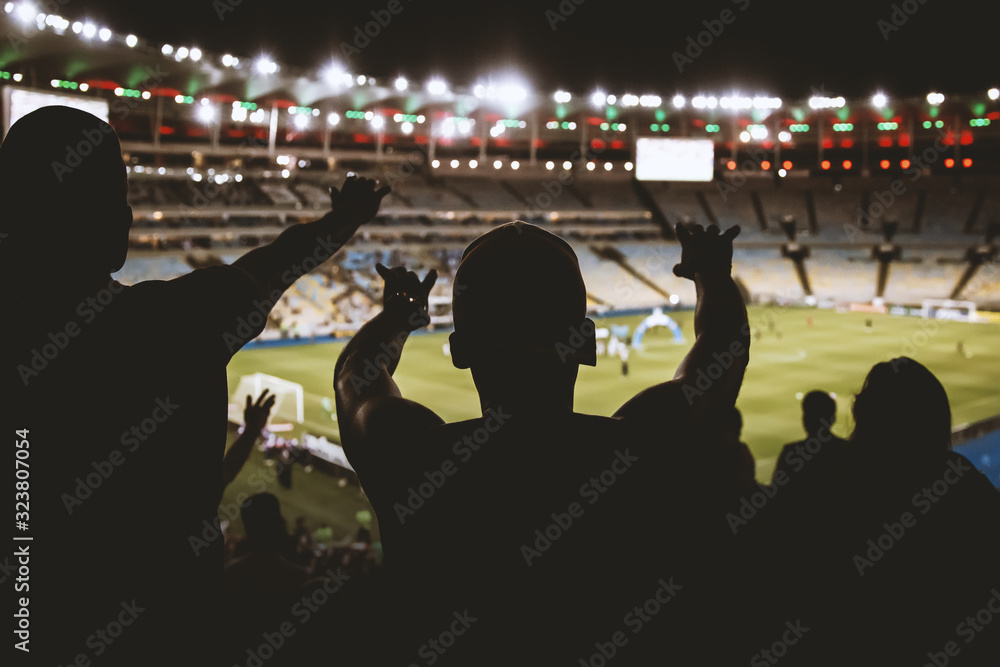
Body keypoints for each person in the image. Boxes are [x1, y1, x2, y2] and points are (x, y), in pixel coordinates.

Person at [1, 106, 387, 664]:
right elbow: (278, 262)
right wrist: (344, 220)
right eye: (118, 200)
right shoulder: (178, 320)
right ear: (115, 223)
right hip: (176, 632)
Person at [333, 221, 752, 664]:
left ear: (458, 352)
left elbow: (354, 374)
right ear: (586, 344)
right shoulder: (644, 448)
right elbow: (724, 347)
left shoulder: (409, 457)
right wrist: (710, 272)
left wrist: (399, 318)